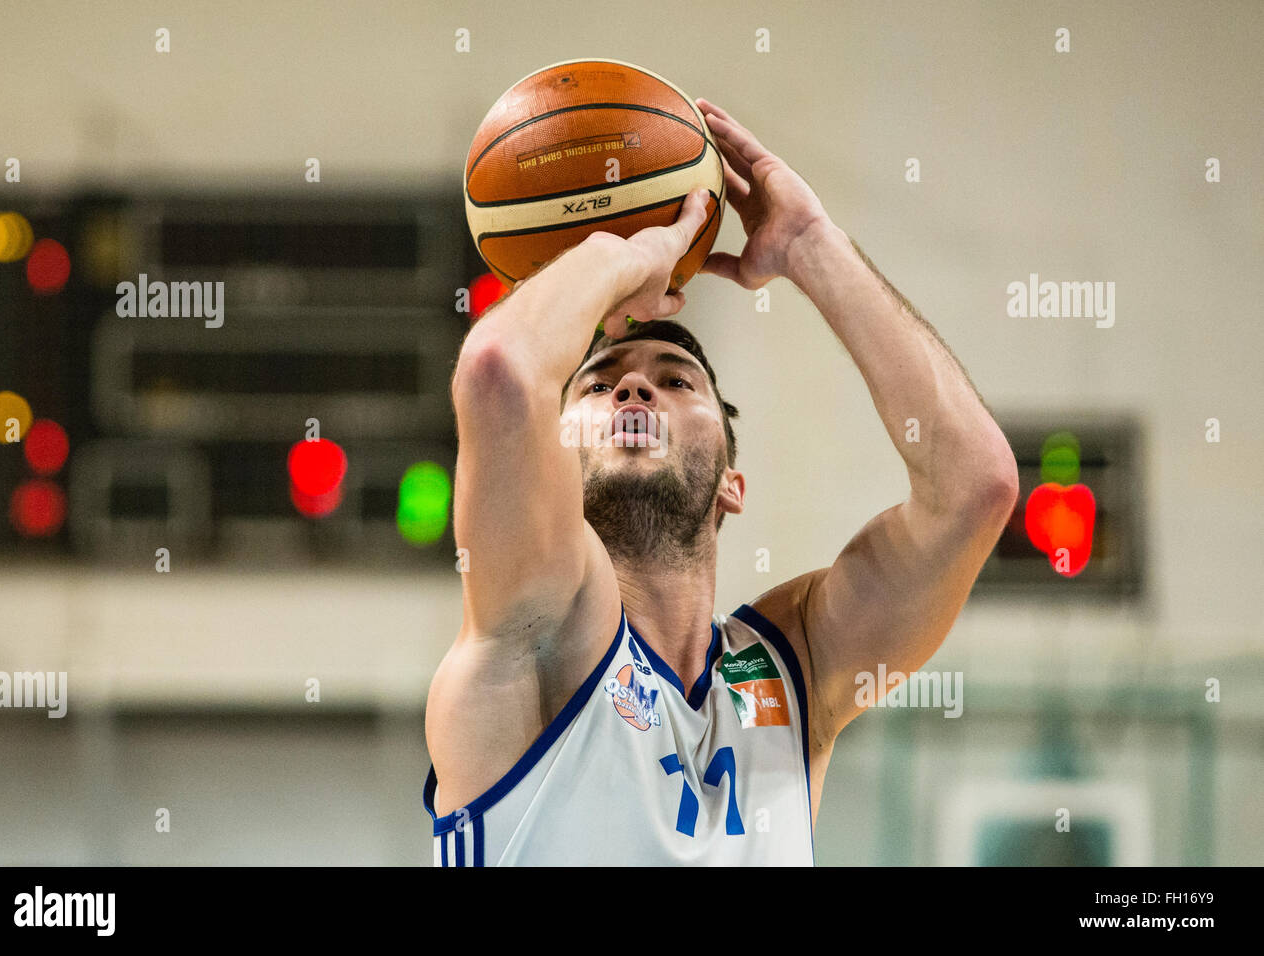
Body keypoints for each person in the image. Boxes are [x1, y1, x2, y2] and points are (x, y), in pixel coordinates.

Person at [422, 97, 1018, 865]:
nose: (635, 391)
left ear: (732, 484)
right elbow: (499, 371)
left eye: (676, 380)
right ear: (554, 465)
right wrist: (629, 256)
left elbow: (976, 488)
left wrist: (811, 246)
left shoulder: (791, 663)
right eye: (599, 384)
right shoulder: (535, 623)